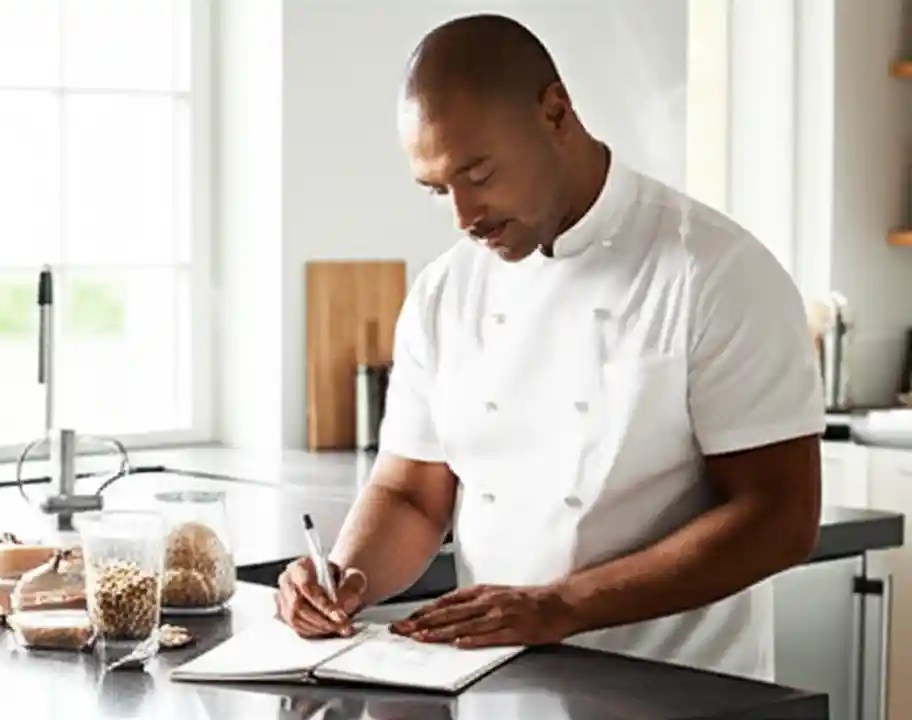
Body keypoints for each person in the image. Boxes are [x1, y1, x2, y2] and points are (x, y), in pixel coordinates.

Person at [274, 14, 824, 681]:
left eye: (478, 172)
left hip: (677, 691)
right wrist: (344, 577)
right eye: (438, 189)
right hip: (498, 684)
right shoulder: (445, 291)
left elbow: (781, 516)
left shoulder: (715, 271)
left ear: (556, 112)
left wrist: (563, 604)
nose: (463, 214)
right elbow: (413, 493)